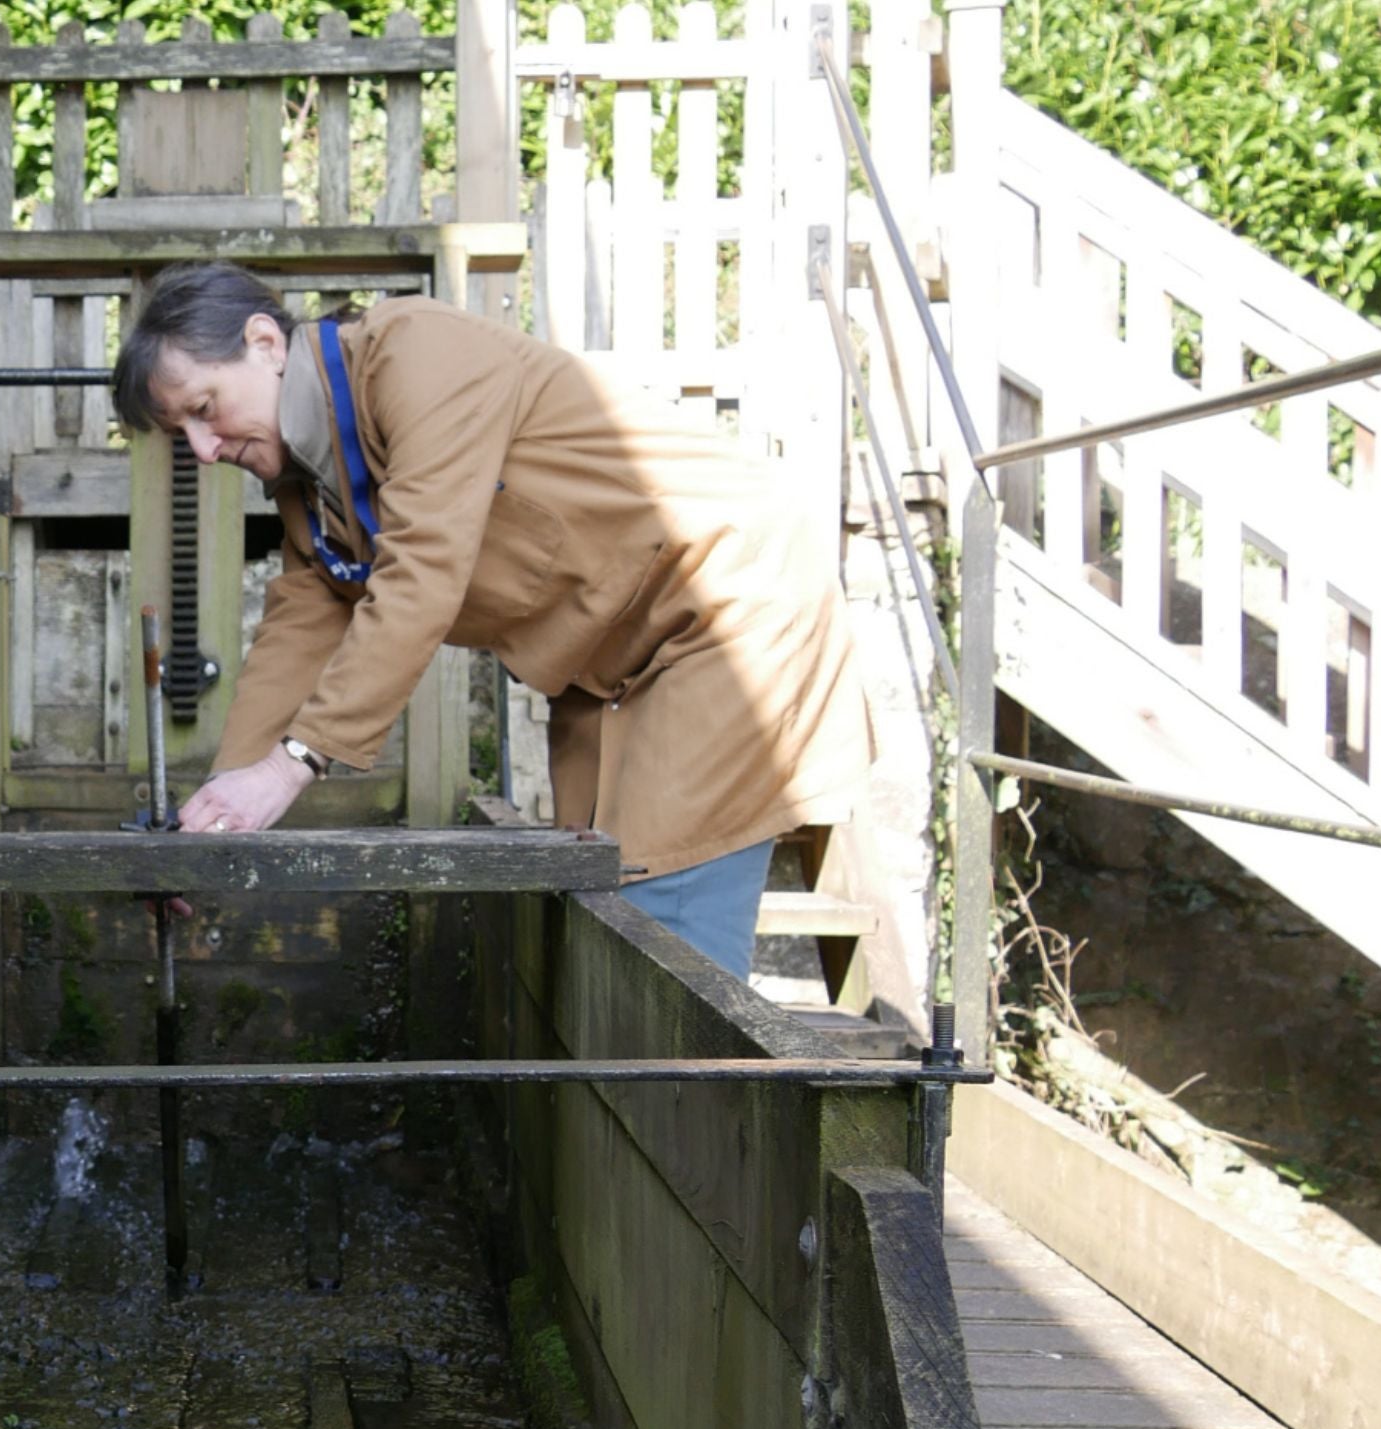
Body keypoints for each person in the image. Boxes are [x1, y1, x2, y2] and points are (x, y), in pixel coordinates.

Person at [111, 260, 873, 978]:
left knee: (660, 954)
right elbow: (296, 635)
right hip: (611, 673)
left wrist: (288, 769)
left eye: (204, 410)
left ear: (265, 343)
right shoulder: (310, 488)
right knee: (595, 924)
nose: (204, 451)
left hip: (722, 609)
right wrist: (211, 824)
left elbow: (421, 574)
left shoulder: (415, 354)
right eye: (184, 435)